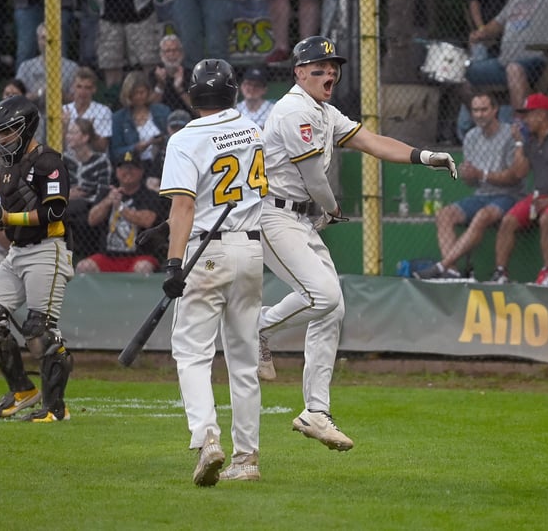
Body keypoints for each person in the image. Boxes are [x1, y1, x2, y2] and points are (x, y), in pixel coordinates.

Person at [258, 35, 456, 448]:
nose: (329, 72)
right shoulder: (295, 110)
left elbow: (371, 142)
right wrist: (331, 210)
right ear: (298, 73)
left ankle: (316, 411)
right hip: (274, 215)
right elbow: (315, 180)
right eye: (318, 67)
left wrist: (424, 156)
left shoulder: (324, 111)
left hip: (299, 218)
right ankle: (257, 326)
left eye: (333, 67)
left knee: (332, 308)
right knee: (325, 297)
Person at [157, 58, 264, 485]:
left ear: (194, 94)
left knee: (192, 353)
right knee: (243, 361)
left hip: (207, 251)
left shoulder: (185, 139)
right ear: (232, 92)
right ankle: (248, 459)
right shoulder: (254, 129)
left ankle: (207, 439)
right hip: (251, 250)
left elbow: (184, 205)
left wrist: (172, 262)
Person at [0, 94, 75, 421]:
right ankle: (22, 390)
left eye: (7, 131)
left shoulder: (48, 161)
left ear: (26, 127)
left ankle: (56, 409)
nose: (1, 139)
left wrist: (5, 218)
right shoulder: (7, 166)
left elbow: (54, 211)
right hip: (17, 252)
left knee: (38, 331)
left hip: (49, 249)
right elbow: (6, 218)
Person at [414, 92, 523, 280]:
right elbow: (471, 182)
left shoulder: (509, 134)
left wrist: (481, 174)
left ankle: (443, 265)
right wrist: (468, 175)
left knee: (482, 216)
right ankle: (453, 271)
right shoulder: (471, 136)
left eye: (484, 110)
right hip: (481, 195)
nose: (480, 115)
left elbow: (514, 176)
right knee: (444, 214)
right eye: (475, 110)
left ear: (495, 110)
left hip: (508, 195)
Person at [489, 93, 548, 287]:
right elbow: (520, 172)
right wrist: (519, 143)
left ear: (541, 115)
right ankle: (501, 272)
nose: (524, 120)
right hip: (538, 196)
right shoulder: (530, 141)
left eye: (528, 115)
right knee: (508, 220)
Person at [76, 149, 165, 274]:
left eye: (132, 168)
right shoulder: (107, 193)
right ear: (117, 171)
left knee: (143, 268)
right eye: (123, 168)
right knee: (83, 267)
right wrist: (108, 201)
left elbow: (147, 220)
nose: (127, 172)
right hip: (108, 257)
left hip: (138, 257)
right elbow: (92, 219)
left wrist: (121, 207)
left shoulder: (149, 195)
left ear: (141, 171)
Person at [62, 118, 113, 257]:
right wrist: (67, 195)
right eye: (68, 133)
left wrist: (82, 196)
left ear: (85, 137)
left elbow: (102, 190)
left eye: (73, 133)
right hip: (67, 204)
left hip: (90, 206)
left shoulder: (101, 161)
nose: (68, 136)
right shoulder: (64, 159)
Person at [110, 70, 171, 171]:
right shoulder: (118, 118)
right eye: (135, 93)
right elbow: (116, 152)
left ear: (148, 92)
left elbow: (173, 136)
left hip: (162, 162)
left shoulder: (162, 111)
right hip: (134, 163)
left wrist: (162, 140)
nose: (139, 96)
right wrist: (135, 148)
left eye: (142, 92)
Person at [15, 22, 79, 112]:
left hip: (63, 115)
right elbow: (15, 98)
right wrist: (40, 93)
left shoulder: (72, 67)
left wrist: (60, 94)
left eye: (52, 38)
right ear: (38, 40)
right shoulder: (25, 67)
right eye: (43, 38)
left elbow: (78, 100)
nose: (47, 42)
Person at [62, 67, 112, 153]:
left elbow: (102, 147)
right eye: (79, 87)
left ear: (94, 89)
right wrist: (64, 128)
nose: (82, 92)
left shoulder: (104, 111)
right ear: (73, 88)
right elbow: (57, 148)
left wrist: (90, 131)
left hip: (94, 159)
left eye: (87, 88)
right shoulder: (64, 110)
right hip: (68, 160)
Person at [147, 109, 194, 191]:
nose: (177, 132)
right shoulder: (163, 151)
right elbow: (152, 180)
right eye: (174, 128)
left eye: (181, 128)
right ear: (168, 128)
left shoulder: (196, 147)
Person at [150, 34, 193, 112]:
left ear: (181, 53)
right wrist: (160, 85)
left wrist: (179, 89)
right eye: (167, 51)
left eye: (175, 50)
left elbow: (198, 111)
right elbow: (149, 109)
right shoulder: (154, 74)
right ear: (161, 54)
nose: (171, 54)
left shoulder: (190, 74)